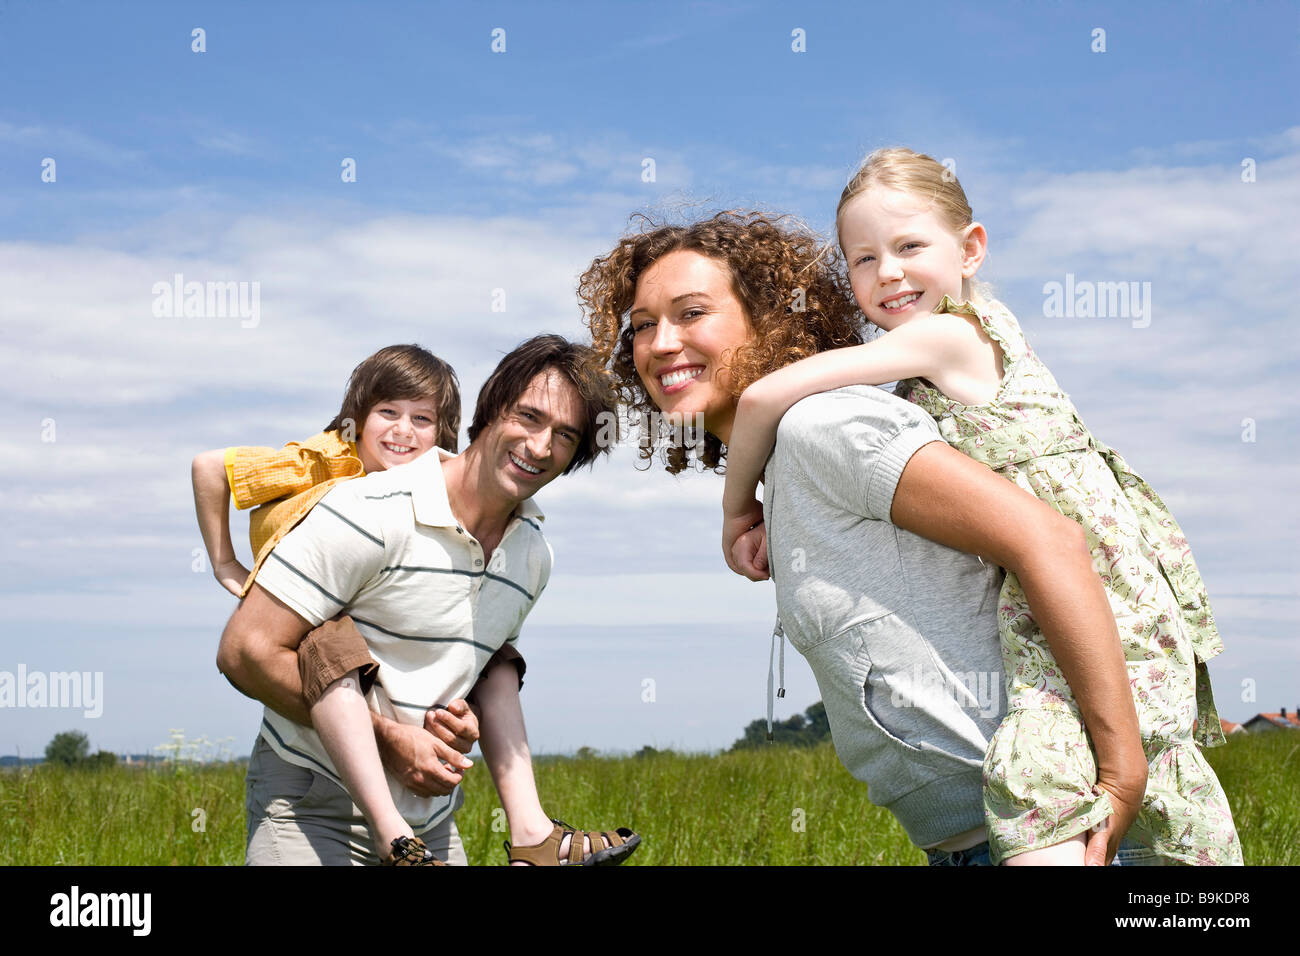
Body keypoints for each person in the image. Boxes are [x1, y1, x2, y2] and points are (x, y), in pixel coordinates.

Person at [716, 149, 1240, 866]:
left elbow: (761, 397)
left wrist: (737, 511)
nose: (887, 273)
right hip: (1086, 568)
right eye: (863, 259)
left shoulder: (947, 336)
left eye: (909, 247)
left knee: (1061, 749)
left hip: (1087, 573)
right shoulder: (942, 351)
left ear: (971, 248)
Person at [578, 210, 1151, 866]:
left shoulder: (822, 426)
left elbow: (1051, 541)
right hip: (979, 843)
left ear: (768, 319)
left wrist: (1122, 768)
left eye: (691, 313)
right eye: (643, 325)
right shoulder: (786, 469)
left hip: (1060, 835)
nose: (660, 343)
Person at [214, 335, 638, 865]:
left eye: (565, 436)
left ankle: (535, 842)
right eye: (528, 417)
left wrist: (458, 723)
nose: (538, 446)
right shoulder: (367, 511)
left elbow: (479, 674)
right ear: (489, 411)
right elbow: (243, 652)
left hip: (431, 825)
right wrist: (390, 738)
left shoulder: (531, 555)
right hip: (313, 811)